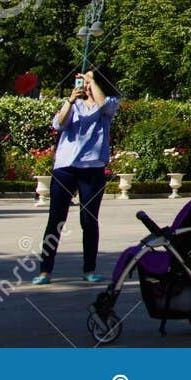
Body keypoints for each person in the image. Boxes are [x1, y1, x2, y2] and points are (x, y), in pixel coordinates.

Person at [34, 66, 119, 284]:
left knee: (88, 220)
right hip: (65, 167)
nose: (84, 83)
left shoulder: (107, 104)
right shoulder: (75, 103)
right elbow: (59, 124)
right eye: (83, 79)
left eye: (89, 79)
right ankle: (45, 270)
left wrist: (92, 81)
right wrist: (71, 100)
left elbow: (105, 106)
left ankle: (89, 269)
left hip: (92, 168)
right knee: (56, 219)